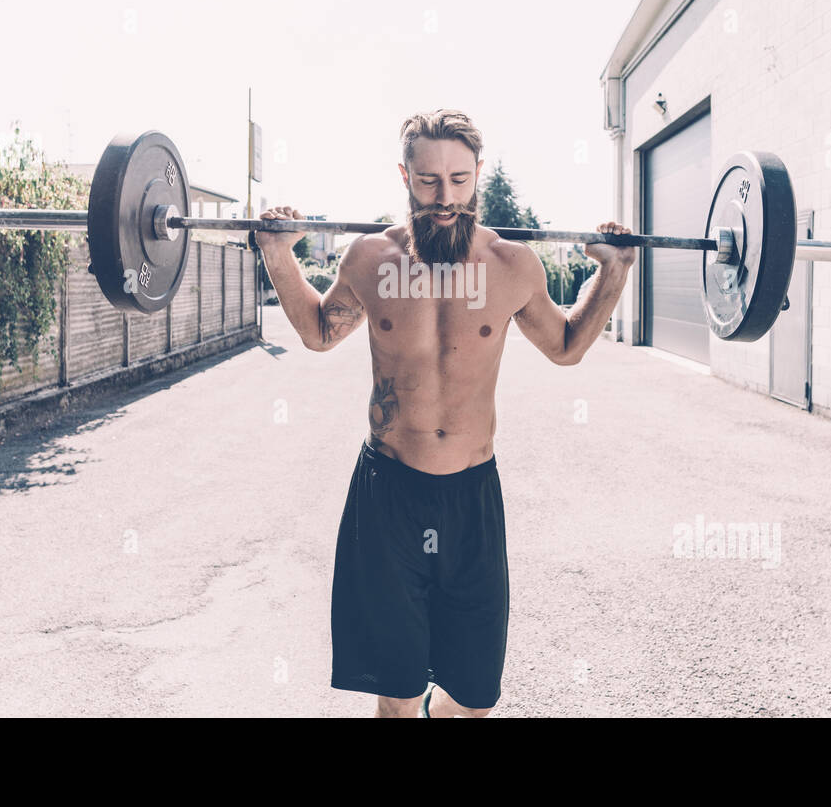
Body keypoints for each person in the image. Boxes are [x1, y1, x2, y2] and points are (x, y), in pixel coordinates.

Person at [255, 109, 635, 717]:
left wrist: (612, 273)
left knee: (476, 698)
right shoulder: (369, 258)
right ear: (404, 176)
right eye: (429, 180)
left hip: (471, 500)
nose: (445, 198)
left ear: (477, 175)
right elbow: (322, 331)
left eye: (459, 180)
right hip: (389, 496)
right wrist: (279, 254)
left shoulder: (512, 265)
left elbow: (565, 346)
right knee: (397, 696)